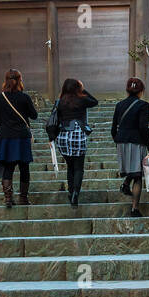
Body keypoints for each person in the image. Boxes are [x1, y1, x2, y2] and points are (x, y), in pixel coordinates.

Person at [0, 69, 39, 206]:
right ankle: (23, 198)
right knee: (24, 167)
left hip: (6, 137)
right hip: (22, 137)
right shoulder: (24, 98)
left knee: (8, 167)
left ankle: (8, 198)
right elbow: (34, 115)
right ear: (20, 80)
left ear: (5, 80)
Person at [112, 77, 149, 218]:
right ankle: (134, 209)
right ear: (141, 91)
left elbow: (113, 128)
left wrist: (118, 141)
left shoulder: (119, 105)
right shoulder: (143, 105)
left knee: (133, 170)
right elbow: (143, 127)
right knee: (138, 175)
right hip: (136, 142)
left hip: (121, 141)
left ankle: (125, 184)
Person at [54, 77, 98, 207]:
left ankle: (70, 191)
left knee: (70, 166)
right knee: (79, 167)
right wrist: (84, 90)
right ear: (77, 88)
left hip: (63, 136)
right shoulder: (81, 99)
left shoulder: (60, 102)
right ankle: (76, 194)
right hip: (77, 134)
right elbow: (95, 101)